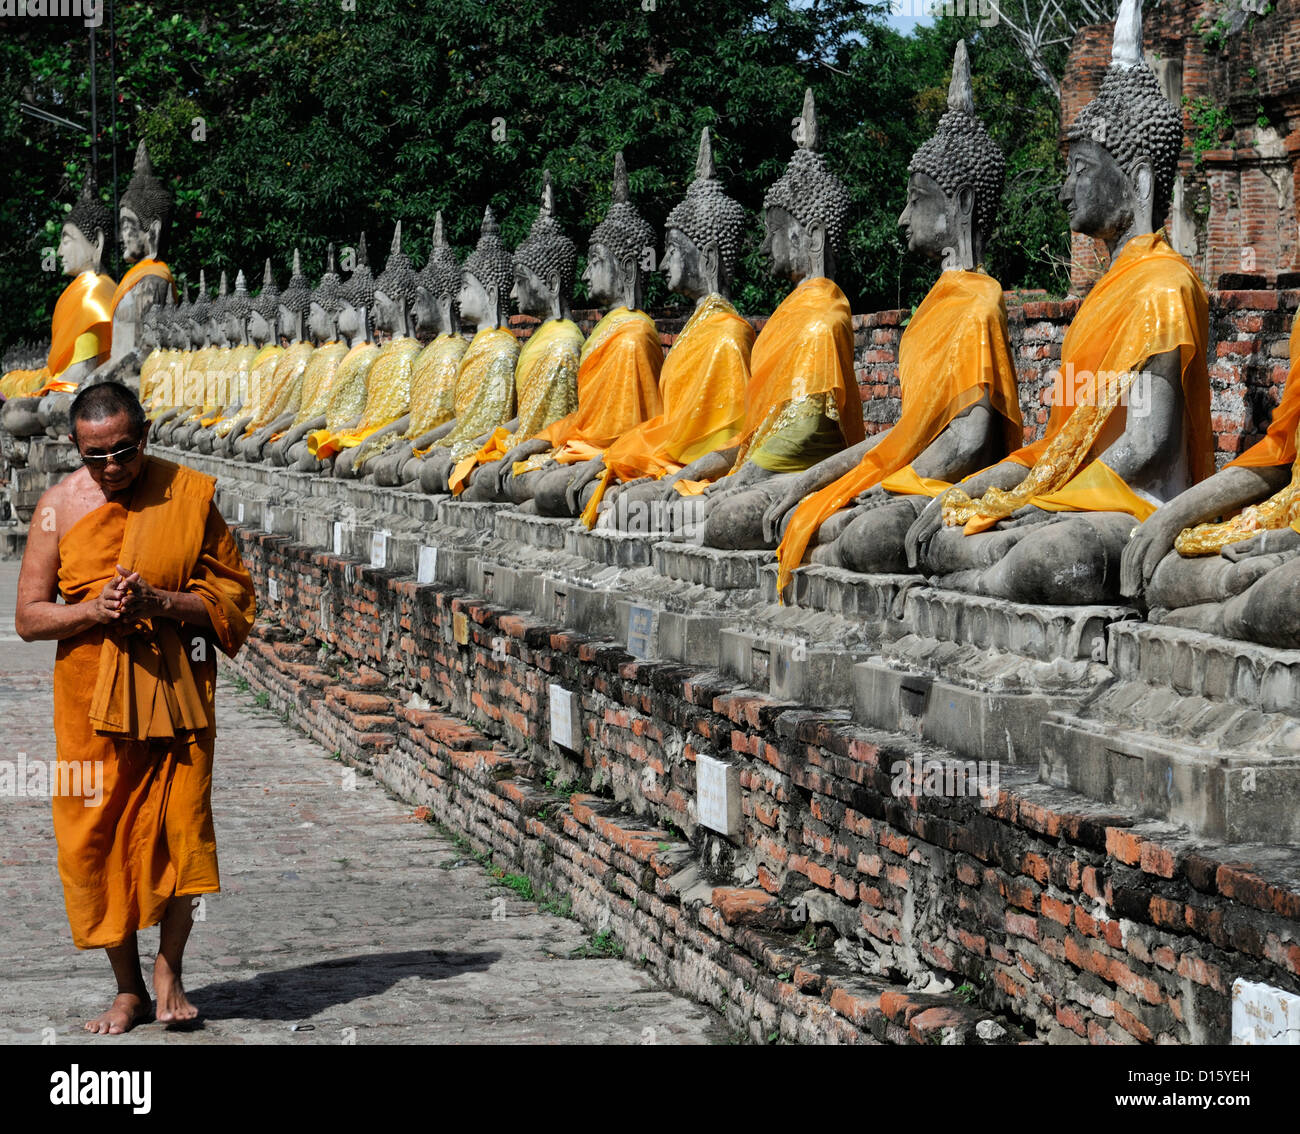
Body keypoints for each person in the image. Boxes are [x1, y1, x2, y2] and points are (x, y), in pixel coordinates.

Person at [15, 381, 256, 1035]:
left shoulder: (187, 495)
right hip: (91, 701)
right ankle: (126, 989)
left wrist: (161, 604)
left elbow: (234, 602)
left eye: (124, 450)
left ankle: (169, 966)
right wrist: (95, 610)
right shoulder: (58, 507)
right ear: (75, 447)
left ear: (145, 435)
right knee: (97, 839)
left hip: (178, 693)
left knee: (182, 826)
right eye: (96, 455)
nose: (113, 467)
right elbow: (30, 618)